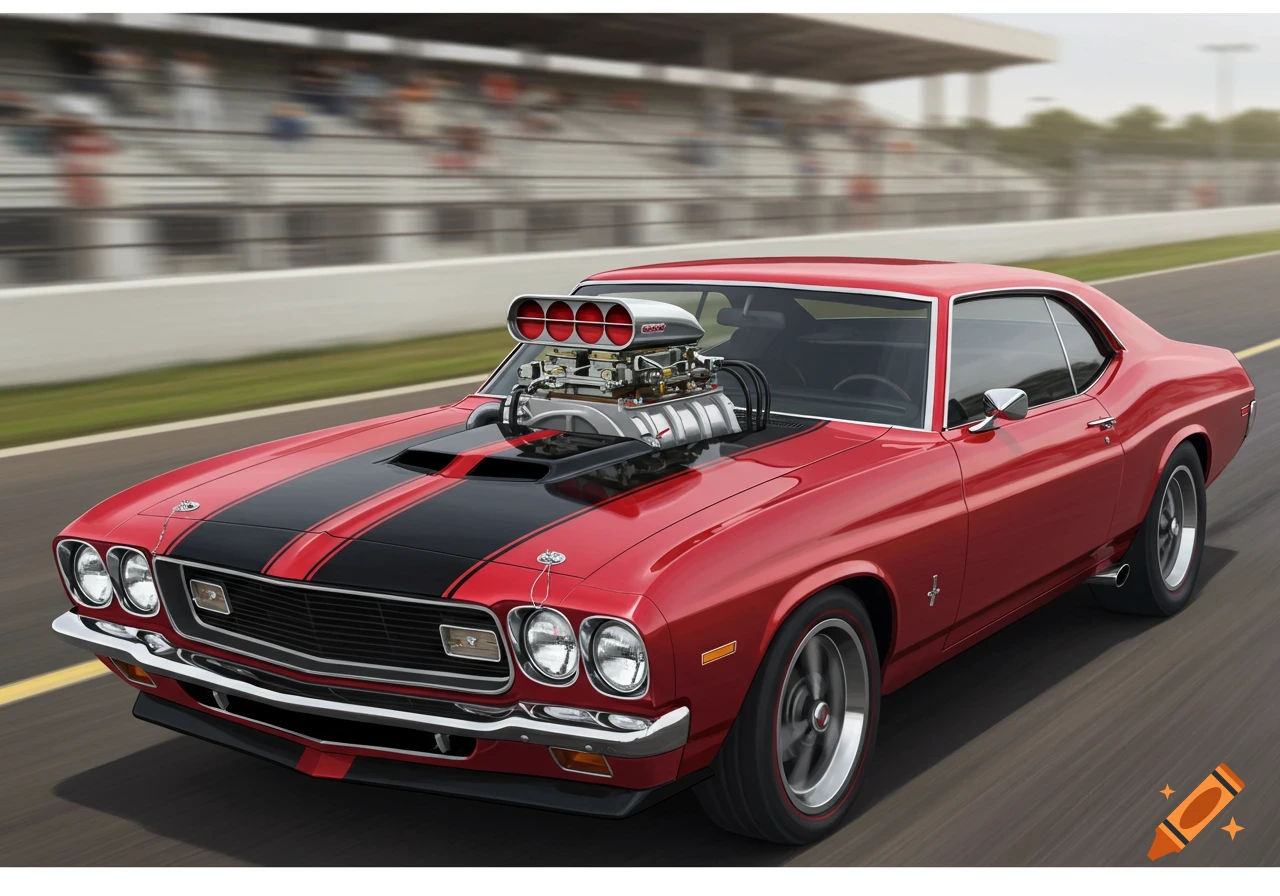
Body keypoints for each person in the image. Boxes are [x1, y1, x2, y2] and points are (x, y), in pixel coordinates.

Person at [170, 50, 222, 131]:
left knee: (204, 112)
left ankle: (205, 129)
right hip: (187, 93)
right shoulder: (179, 66)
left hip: (201, 94)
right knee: (185, 112)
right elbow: (190, 75)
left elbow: (209, 74)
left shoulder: (202, 68)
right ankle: (182, 128)